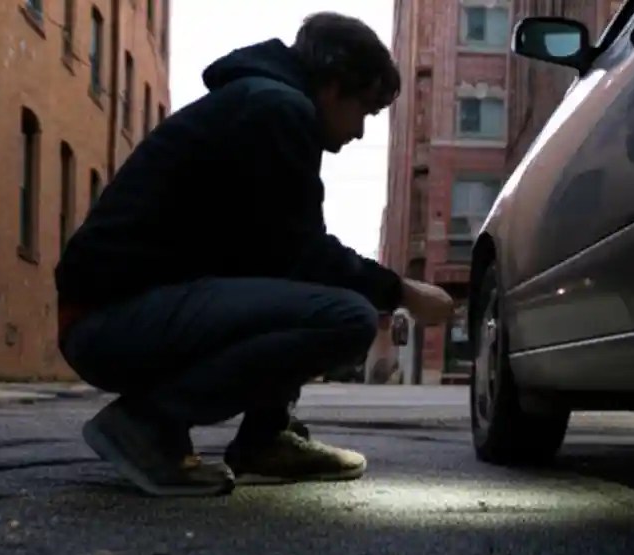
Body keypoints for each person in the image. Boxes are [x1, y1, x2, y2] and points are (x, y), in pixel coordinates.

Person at [54, 13, 454, 497]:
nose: (361, 132)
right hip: (110, 320)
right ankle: (146, 424)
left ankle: (264, 440)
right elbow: (306, 254)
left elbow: (279, 257)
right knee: (346, 317)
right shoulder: (277, 110)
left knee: (312, 293)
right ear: (332, 88)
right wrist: (402, 290)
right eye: (366, 111)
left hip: (117, 315)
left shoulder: (261, 106)